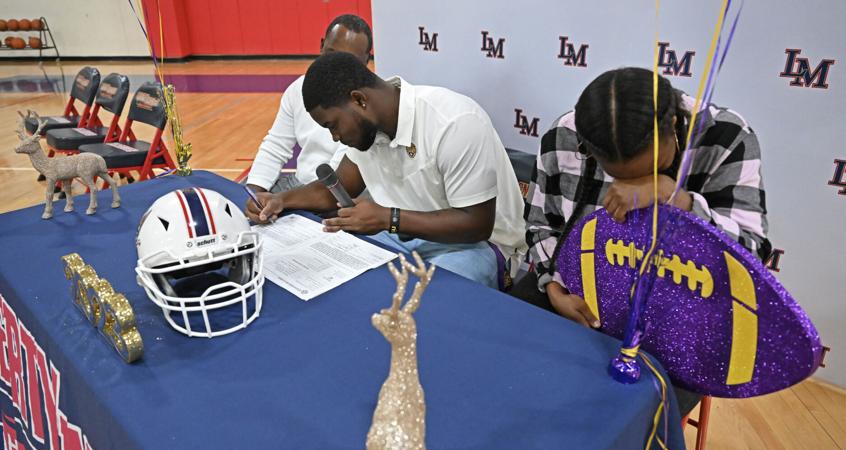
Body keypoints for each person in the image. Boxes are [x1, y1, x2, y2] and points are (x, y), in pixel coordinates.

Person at [512, 67, 770, 414]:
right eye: (618, 176)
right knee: (507, 362)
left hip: (677, 312)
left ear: (674, 129)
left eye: (650, 168)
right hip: (575, 290)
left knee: (623, 422)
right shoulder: (566, 135)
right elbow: (543, 224)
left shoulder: (725, 137)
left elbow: (751, 255)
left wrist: (678, 199)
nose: (628, 186)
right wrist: (553, 287)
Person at [251, 52, 527, 289]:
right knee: (340, 280)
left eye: (332, 125)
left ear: (359, 100)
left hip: (478, 246)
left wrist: (389, 218)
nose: (334, 137)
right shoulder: (368, 128)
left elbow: (476, 225)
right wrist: (280, 200)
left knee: (418, 308)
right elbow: (335, 190)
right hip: (404, 235)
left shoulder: (453, 122)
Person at [243, 14, 372, 198]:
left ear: (366, 62)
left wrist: (284, 201)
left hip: (346, 194)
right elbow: (276, 146)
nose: (335, 67)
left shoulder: (367, 102)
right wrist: (253, 194)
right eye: (331, 54)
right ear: (321, 46)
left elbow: (338, 181)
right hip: (300, 185)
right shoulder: (297, 89)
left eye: (347, 62)